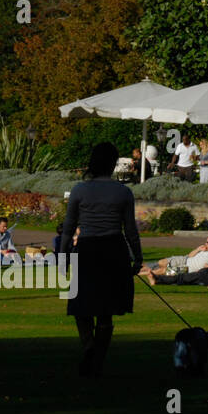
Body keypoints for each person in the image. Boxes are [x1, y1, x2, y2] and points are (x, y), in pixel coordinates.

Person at [60, 143, 143, 376]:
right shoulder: (123, 192)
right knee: (106, 308)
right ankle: (98, 356)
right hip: (113, 248)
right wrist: (137, 257)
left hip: (87, 248)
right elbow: (130, 230)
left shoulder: (79, 190)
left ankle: (88, 345)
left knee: (81, 304)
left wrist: (63, 255)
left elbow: (68, 228)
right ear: (113, 163)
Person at [143, 234, 208, 278]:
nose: (206, 244)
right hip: (186, 261)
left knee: (163, 271)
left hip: (187, 269)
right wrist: (198, 249)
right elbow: (189, 256)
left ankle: (141, 273)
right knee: (160, 265)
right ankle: (141, 270)